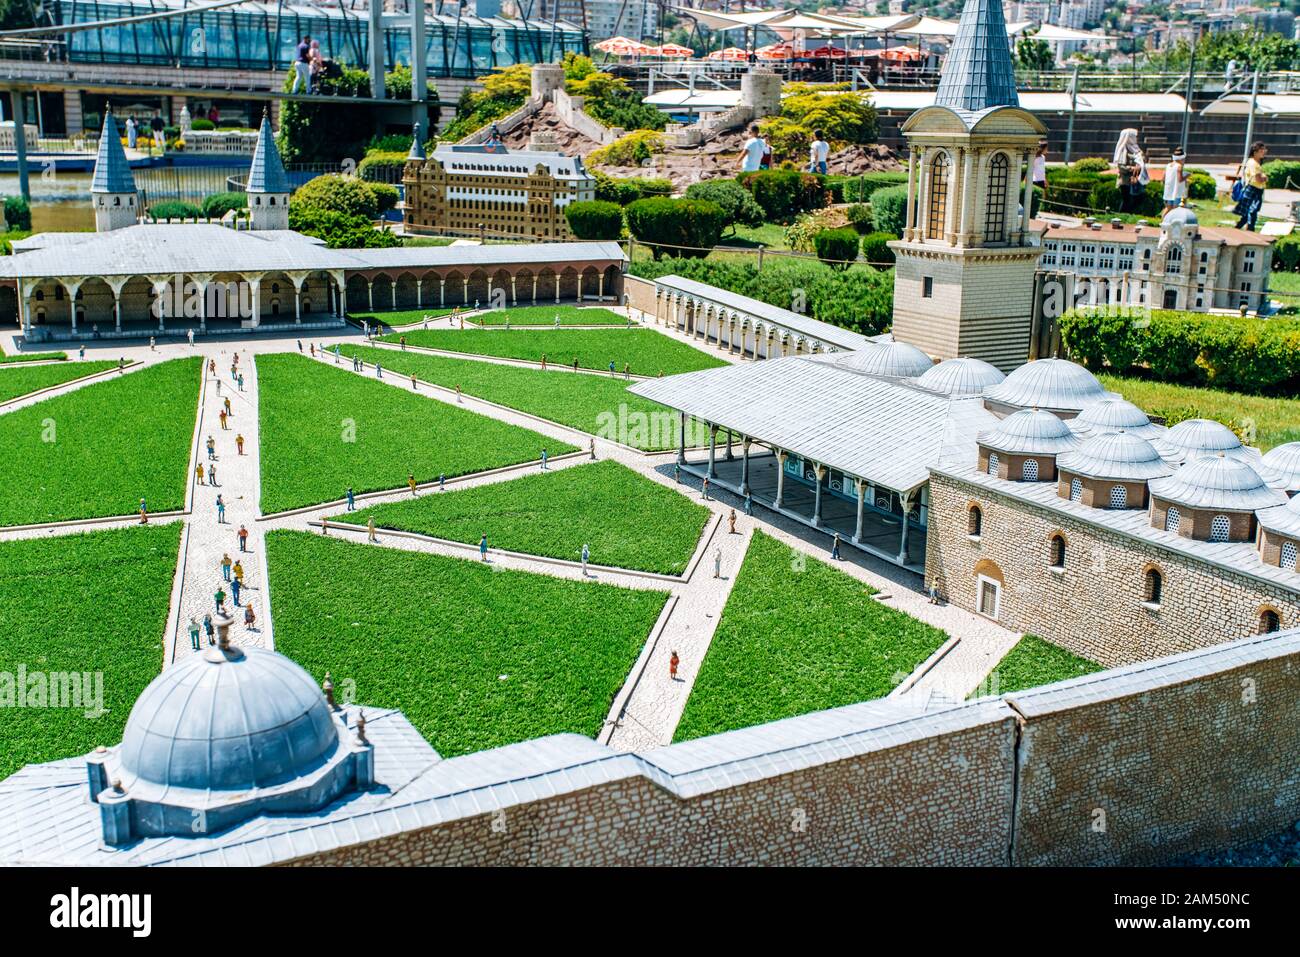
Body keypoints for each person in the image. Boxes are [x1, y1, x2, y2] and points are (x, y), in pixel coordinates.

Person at [1235, 141, 1269, 231]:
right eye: (1261, 150)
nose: (1264, 152)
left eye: (1264, 150)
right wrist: (1265, 178)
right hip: (1254, 189)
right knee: (1252, 210)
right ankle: (1250, 229)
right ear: (1255, 152)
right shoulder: (1253, 163)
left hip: (1254, 189)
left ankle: (1238, 227)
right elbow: (1258, 179)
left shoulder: (1254, 162)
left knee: (1249, 211)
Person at [1113, 128, 1147, 214]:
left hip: (1136, 180)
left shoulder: (1136, 149)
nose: (1137, 138)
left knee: (1137, 200)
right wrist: (1132, 168)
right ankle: (1121, 219)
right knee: (1127, 201)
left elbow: (1142, 160)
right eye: (1135, 136)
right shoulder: (1123, 150)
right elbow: (1121, 166)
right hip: (1125, 181)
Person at [1163, 146, 1188, 213]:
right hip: (1176, 191)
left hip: (1168, 190)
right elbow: (1180, 179)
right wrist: (1187, 176)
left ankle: (1162, 222)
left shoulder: (1168, 165)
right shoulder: (1179, 166)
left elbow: (1163, 178)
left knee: (1168, 208)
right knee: (1175, 209)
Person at [1032, 140, 1048, 217]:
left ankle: (1038, 211)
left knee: (1041, 197)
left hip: (1041, 179)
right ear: (1042, 148)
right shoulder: (1034, 157)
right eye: (1046, 148)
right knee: (1035, 197)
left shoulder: (1043, 157)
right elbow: (1031, 168)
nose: (1047, 150)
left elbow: (1043, 170)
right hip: (1034, 179)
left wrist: (1045, 180)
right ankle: (1034, 212)